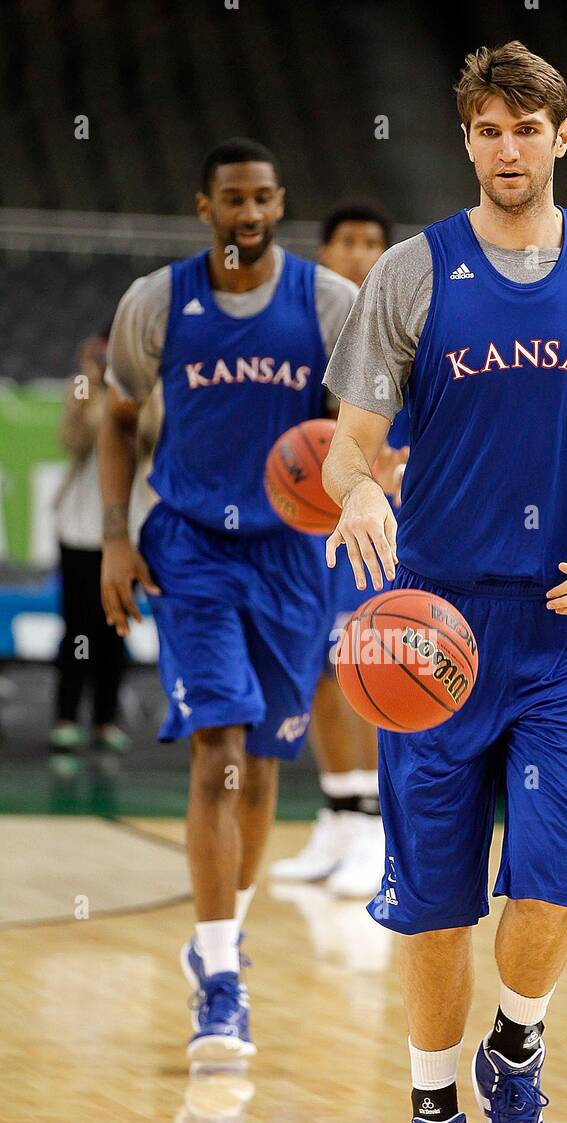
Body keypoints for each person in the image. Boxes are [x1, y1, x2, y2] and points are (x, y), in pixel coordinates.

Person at [322, 41, 567, 1123]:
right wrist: (359, 490)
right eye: (485, 129)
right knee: (430, 904)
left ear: (561, 136)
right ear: (465, 140)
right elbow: (342, 446)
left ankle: (513, 1053)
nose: (506, 148)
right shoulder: (412, 273)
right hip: (434, 627)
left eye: (526, 127)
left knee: (551, 875)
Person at [99, 138, 358, 1061]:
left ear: (278, 204)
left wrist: (368, 483)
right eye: (231, 200)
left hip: (294, 554)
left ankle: (223, 933)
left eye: (262, 200)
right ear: (203, 206)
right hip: (193, 548)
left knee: (259, 762)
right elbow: (120, 418)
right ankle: (220, 979)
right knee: (217, 746)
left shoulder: (329, 304)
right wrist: (116, 537)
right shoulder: (158, 301)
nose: (248, 214)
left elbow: (376, 420)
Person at [270, 204, 408, 897]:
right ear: (323, 253)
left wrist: (402, 465)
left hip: (376, 521)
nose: (360, 254)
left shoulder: (396, 323)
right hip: (310, 525)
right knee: (323, 669)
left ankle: (378, 827)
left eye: (372, 242)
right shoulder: (305, 329)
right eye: (347, 241)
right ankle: (339, 812)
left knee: (365, 665)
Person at [51, 333, 132, 754]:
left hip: (122, 535)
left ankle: (105, 719)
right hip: (79, 532)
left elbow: (145, 437)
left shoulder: (141, 392)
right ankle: (66, 717)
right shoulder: (83, 393)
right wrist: (88, 384)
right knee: (76, 628)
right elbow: (73, 440)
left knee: (114, 629)